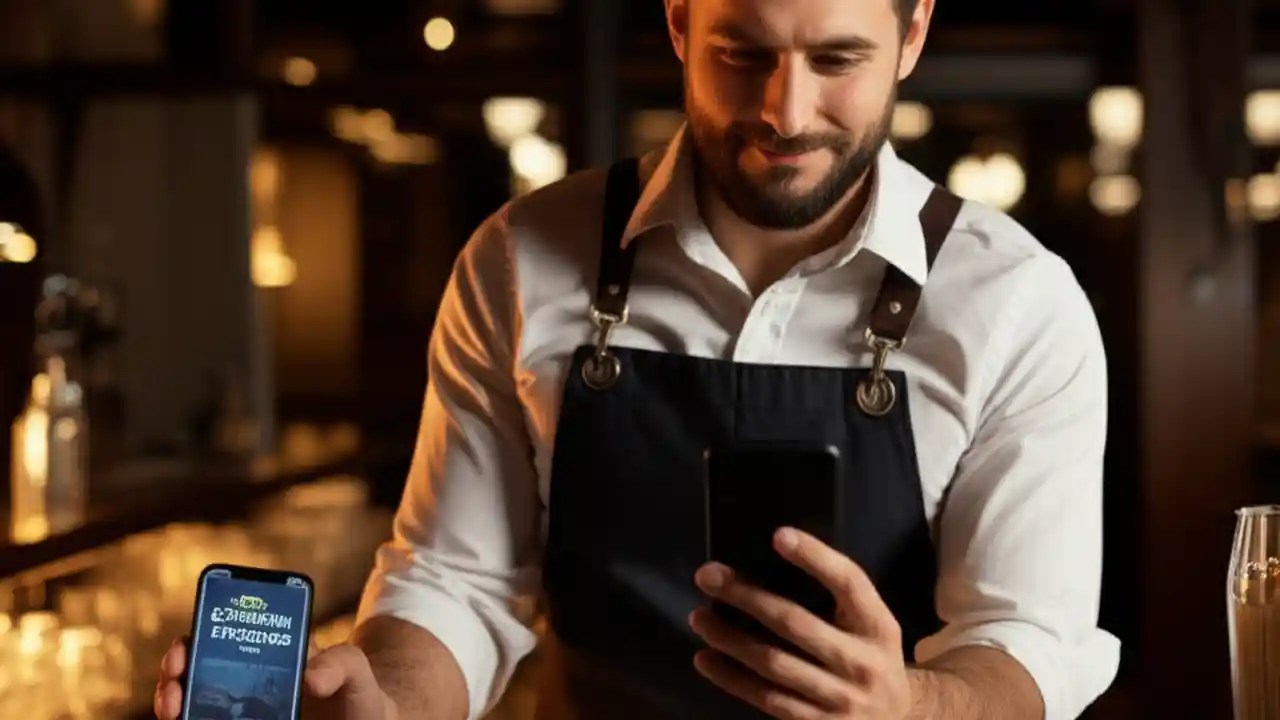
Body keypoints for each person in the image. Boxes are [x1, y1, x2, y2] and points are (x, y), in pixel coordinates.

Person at [156, 0, 1120, 717]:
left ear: (912, 35)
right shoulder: (520, 258)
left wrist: (910, 705)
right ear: (677, 23)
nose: (786, 112)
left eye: (838, 58)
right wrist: (385, 701)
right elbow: (456, 583)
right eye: (742, 54)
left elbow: (1023, 636)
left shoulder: (1016, 302)